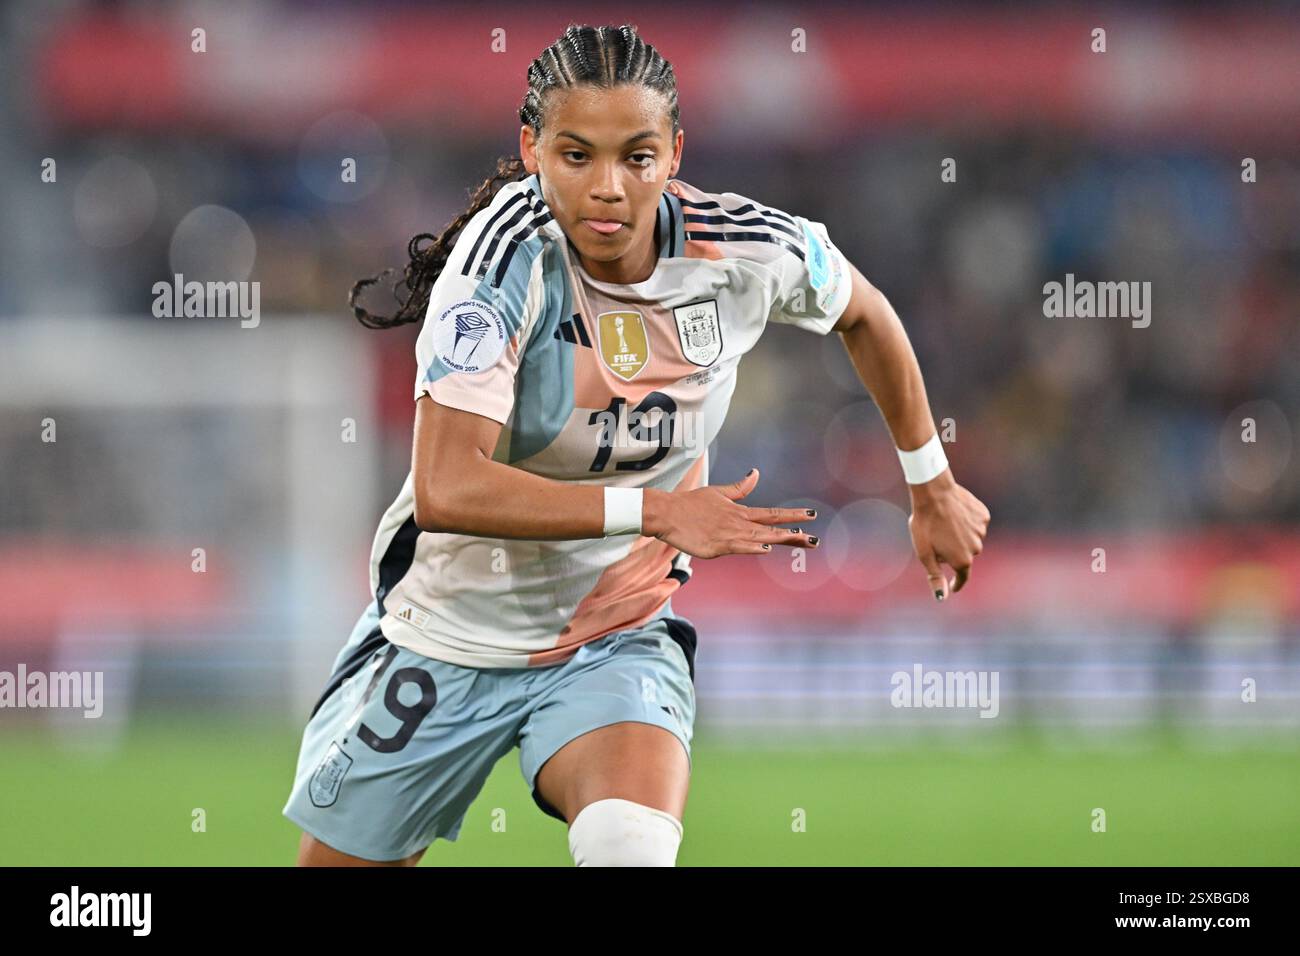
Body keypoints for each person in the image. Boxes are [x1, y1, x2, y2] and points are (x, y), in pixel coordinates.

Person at [282, 22, 990, 867]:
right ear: (531, 148)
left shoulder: (743, 249)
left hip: (611, 635)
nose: (609, 188)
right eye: (576, 155)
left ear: (676, 153)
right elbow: (447, 489)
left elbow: (865, 311)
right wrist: (656, 511)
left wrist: (931, 484)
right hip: (446, 632)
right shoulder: (502, 262)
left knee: (630, 848)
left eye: (638, 156)